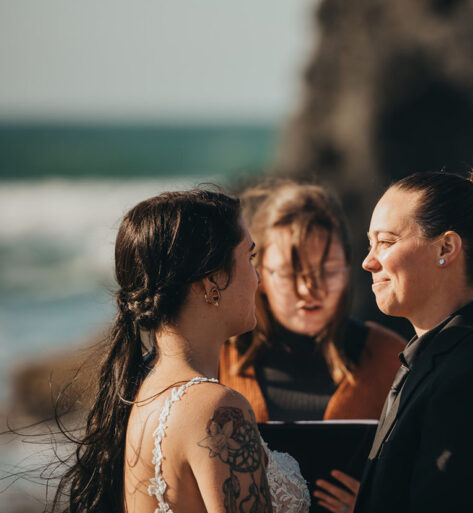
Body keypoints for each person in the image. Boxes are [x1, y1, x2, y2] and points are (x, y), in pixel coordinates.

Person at [53, 190, 310, 513]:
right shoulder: (216, 409)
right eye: (250, 257)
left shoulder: (141, 387)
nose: (258, 278)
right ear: (212, 281)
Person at [353, 155, 473, 512]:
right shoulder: (437, 360)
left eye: (386, 242)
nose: (368, 261)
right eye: (370, 243)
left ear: (445, 248)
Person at [215, 181, 404, 512]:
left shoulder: (390, 356)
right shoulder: (218, 356)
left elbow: (429, 480)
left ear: (349, 269)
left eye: (327, 271)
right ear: (258, 275)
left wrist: (377, 505)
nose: (309, 289)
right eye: (290, 273)